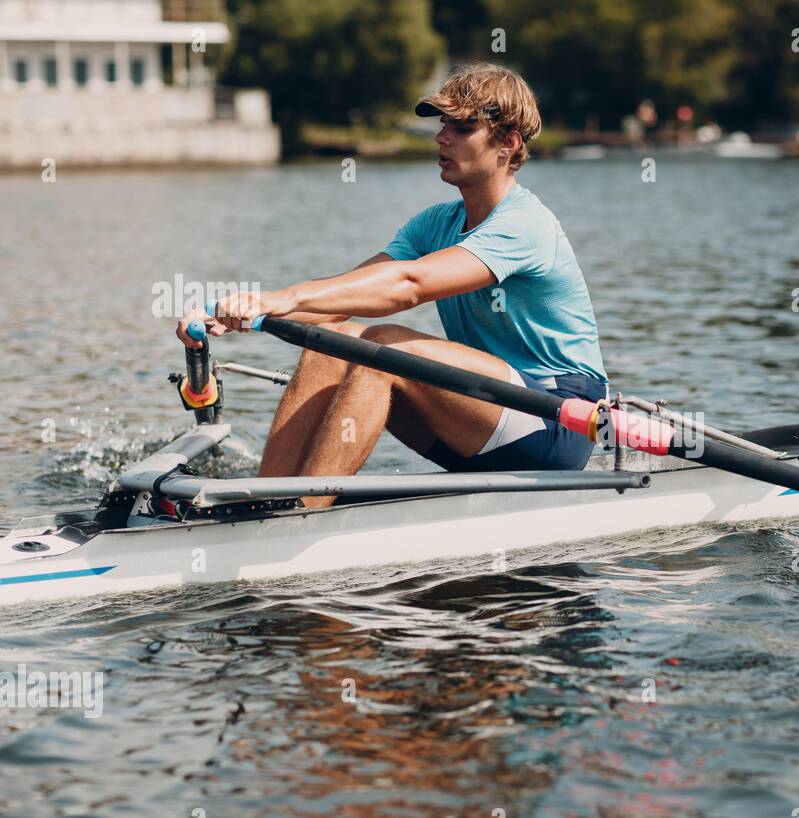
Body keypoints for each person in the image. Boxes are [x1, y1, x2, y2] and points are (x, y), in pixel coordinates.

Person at [180, 63, 607, 507]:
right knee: (333, 341)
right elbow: (344, 298)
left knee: (383, 348)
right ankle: (264, 502)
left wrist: (285, 297)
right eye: (443, 125)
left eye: (463, 127)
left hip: (558, 424)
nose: (442, 138)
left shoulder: (525, 225)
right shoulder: (434, 224)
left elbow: (408, 286)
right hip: (482, 417)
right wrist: (236, 314)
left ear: (508, 142)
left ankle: (303, 513)